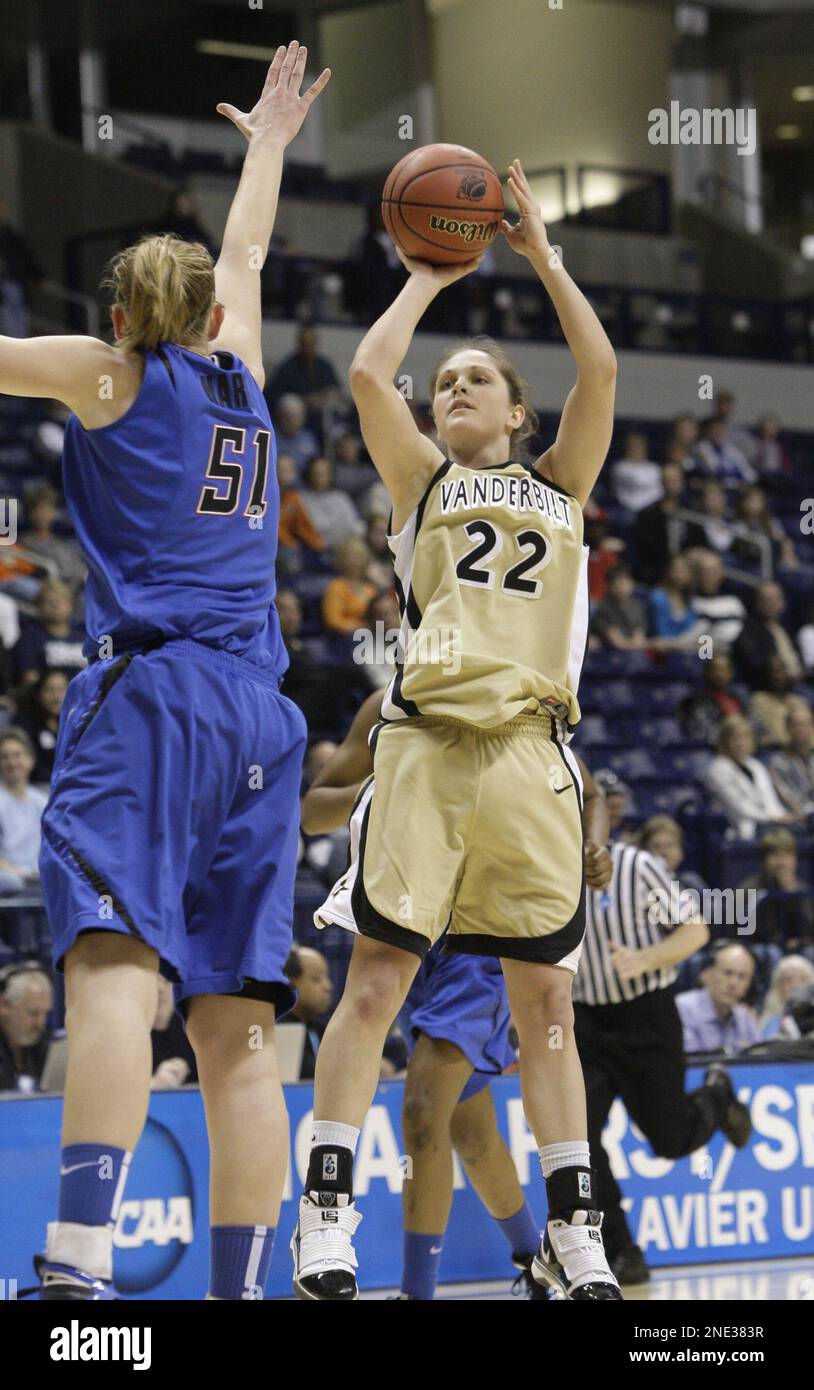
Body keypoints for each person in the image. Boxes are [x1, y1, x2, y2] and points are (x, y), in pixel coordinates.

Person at [0, 42, 329, 1301]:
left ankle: (77, 1273)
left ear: (125, 315)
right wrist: (267, 146)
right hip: (264, 712)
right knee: (240, 1030)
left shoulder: (109, 372)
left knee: (111, 978)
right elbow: (242, 256)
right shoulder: (239, 371)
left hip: (159, 699)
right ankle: (240, 1296)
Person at [290, 157, 622, 1302]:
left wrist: (541, 256)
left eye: (478, 378)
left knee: (544, 1008)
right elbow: (368, 368)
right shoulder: (420, 480)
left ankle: (575, 1235)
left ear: (518, 412)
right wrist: (431, 274)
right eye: (447, 383)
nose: (453, 387)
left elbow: (601, 367)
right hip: (428, 750)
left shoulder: (561, 484)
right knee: (373, 982)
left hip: (532, 757)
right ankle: (325, 1216)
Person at [303, 689, 615, 1299]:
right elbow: (311, 810)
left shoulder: (513, 691)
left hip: (485, 941)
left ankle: (417, 1292)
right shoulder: (390, 704)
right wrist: (385, 788)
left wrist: (590, 843)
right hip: (411, 911)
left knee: (423, 1107)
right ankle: (535, 1260)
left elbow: (588, 787)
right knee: (468, 1130)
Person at [574, 835, 751, 1286]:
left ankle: (716, 1095)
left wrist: (645, 958)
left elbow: (695, 930)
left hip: (645, 1014)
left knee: (669, 1140)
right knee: (580, 1143)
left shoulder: (637, 867)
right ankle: (622, 1252)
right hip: (585, 1022)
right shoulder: (543, 868)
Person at [704, 715, 793, 838]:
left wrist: (782, 817)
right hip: (740, 828)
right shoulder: (718, 769)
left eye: (745, 737)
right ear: (724, 741)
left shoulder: (756, 765)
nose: (741, 743)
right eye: (735, 738)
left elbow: (770, 799)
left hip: (768, 824)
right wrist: (772, 819)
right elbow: (738, 807)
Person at [675, 943, 761, 1053]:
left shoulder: (745, 1018)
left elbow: (760, 1062)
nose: (733, 983)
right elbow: (690, 1061)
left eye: (742, 977)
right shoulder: (682, 1009)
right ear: (708, 974)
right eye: (727, 973)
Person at [12, 580, 86, 689]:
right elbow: (30, 678)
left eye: (60, 601)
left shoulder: (84, 636)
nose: (55, 605)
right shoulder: (29, 637)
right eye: (48, 601)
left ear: (71, 605)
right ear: (39, 607)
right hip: (48, 699)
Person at [733, 580, 803, 690]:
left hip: (799, 683)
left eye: (775, 599)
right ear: (757, 603)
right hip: (769, 688)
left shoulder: (787, 629)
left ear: (783, 602)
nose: (771, 604)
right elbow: (755, 665)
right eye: (766, 600)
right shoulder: (749, 632)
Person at [281, 945, 334, 1080]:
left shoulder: (324, 1028)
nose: (328, 986)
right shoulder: (276, 1029)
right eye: (316, 979)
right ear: (290, 982)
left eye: (326, 977)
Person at [19, 485, 86, 592]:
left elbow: (78, 570)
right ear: (30, 513)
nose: (43, 514)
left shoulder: (61, 543)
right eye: (38, 509)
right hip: (46, 590)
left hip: (71, 589)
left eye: (47, 509)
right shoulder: (24, 542)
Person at [0, 962, 53, 1091]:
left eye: (45, 1013)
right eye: (33, 1013)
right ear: (4, 1005)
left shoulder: (45, 1043)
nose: (40, 1023)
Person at [266, 325, 340, 413]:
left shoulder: (324, 366)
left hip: (322, 412)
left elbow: (336, 388)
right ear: (299, 344)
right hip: (296, 413)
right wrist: (304, 399)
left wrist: (324, 396)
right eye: (305, 344)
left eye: (311, 344)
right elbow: (274, 394)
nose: (308, 348)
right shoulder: (288, 367)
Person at [678, 653, 745, 745]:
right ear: (706, 673)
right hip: (715, 753)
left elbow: (757, 727)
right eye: (715, 670)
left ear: (730, 674)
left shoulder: (739, 698)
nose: (719, 674)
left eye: (723, 670)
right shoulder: (695, 702)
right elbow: (701, 733)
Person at [17, 670, 69, 786]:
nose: (56, 697)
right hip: (38, 787)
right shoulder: (26, 724)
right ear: (39, 694)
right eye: (50, 690)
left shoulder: (77, 724)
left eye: (61, 690)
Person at [301, 456, 365, 550]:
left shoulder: (340, 497)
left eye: (323, 473)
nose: (320, 477)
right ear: (309, 474)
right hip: (315, 550)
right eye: (316, 473)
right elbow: (313, 529)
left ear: (330, 475)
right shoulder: (301, 499)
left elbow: (354, 525)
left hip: (344, 548)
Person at [690, 549, 745, 653]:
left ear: (722, 574)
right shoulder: (691, 603)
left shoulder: (734, 602)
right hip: (706, 657)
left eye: (714, 572)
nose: (709, 577)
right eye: (704, 572)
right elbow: (697, 645)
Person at [320, 538, 377, 637]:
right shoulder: (336, 587)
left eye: (360, 557)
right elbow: (332, 620)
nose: (356, 562)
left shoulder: (371, 589)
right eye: (352, 557)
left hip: (372, 636)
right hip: (344, 639)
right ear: (342, 560)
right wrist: (360, 627)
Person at [150, 974, 198, 1090]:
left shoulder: (192, 1028)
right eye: (152, 983)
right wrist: (153, 1084)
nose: (160, 989)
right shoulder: (126, 1037)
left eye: (166, 981)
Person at [769, 699, 814, 817]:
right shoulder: (778, 762)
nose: (800, 729)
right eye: (795, 725)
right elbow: (788, 798)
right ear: (787, 728)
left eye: (804, 724)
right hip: (803, 818)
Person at [647, 553, 700, 650]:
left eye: (684, 571)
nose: (679, 575)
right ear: (668, 571)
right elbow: (661, 633)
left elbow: (692, 630)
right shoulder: (657, 597)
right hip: (661, 653)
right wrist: (683, 644)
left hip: (685, 649)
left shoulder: (690, 601)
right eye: (676, 570)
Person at [589, 564, 647, 652]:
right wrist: (657, 643)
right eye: (620, 582)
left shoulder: (637, 606)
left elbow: (638, 639)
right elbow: (620, 644)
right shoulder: (603, 610)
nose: (625, 586)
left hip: (634, 655)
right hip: (609, 657)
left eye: (627, 582)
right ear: (610, 586)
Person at [759, 956, 814, 1038]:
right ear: (778, 987)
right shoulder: (769, 1022)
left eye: (803, 979)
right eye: (788, 980)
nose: (796, 985)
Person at [611, 432, 662, 513]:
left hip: (651, 507)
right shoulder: (620, 466)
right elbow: (637, 480)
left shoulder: (654, 468)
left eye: (640, 446)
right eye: (634, 447)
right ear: (627, 448)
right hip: (625, 508)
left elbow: (658, 491)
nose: (637, 450)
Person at [273, 393, 320, 474]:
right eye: (290, 417)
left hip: (305, 485)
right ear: (280, 416)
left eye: (299, 416)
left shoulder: (308, 438)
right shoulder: (272, 438)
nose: (294, 421)